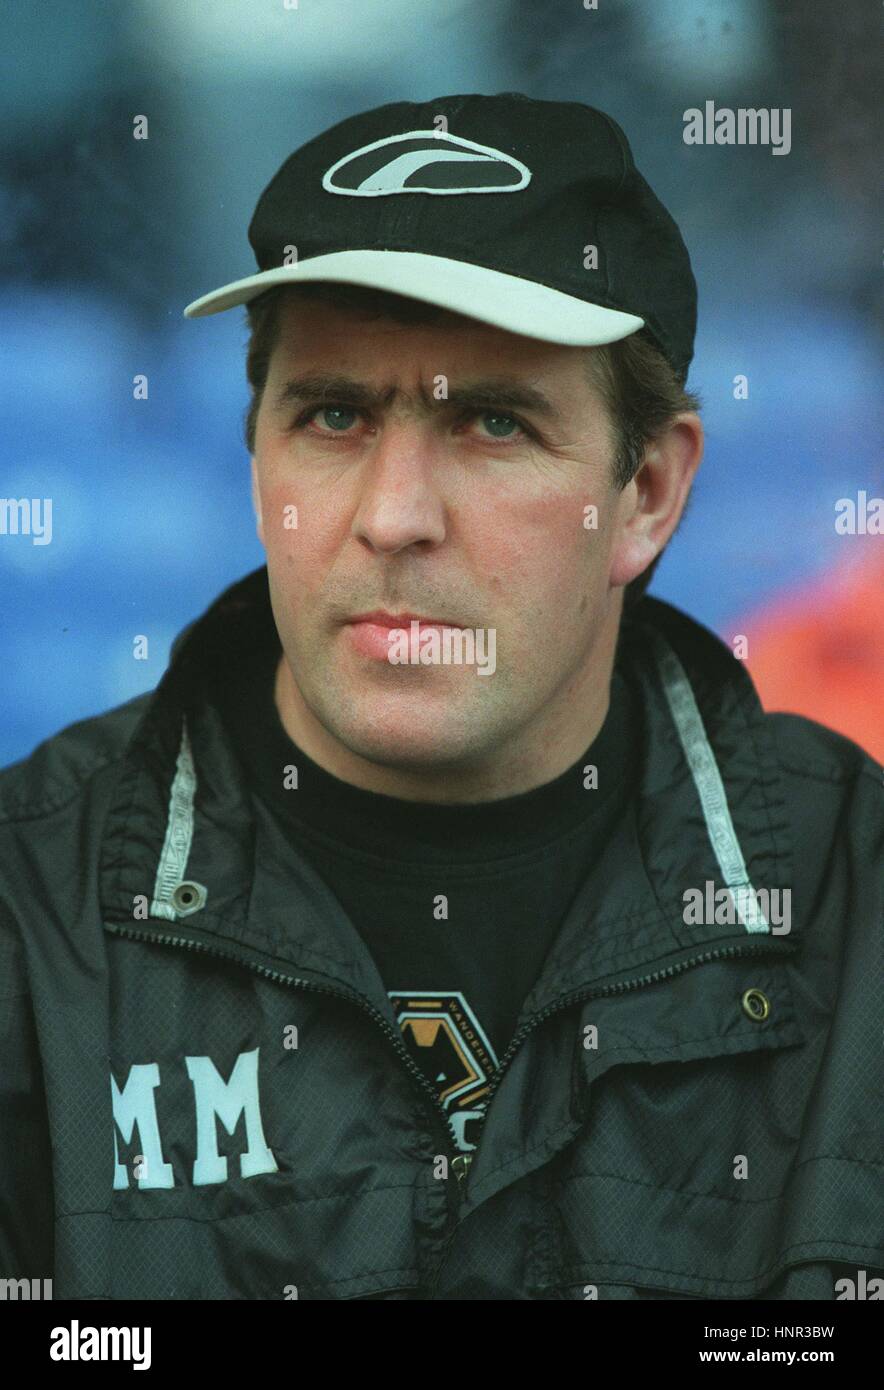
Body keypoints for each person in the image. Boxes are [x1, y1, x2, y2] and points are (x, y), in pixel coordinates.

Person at [1, 93, 881, 1301]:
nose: (392, 515)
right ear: (255, 451)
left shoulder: (857, 901)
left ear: (647, 494)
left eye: (491, 421)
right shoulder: (24, 914)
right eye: (331, 414)